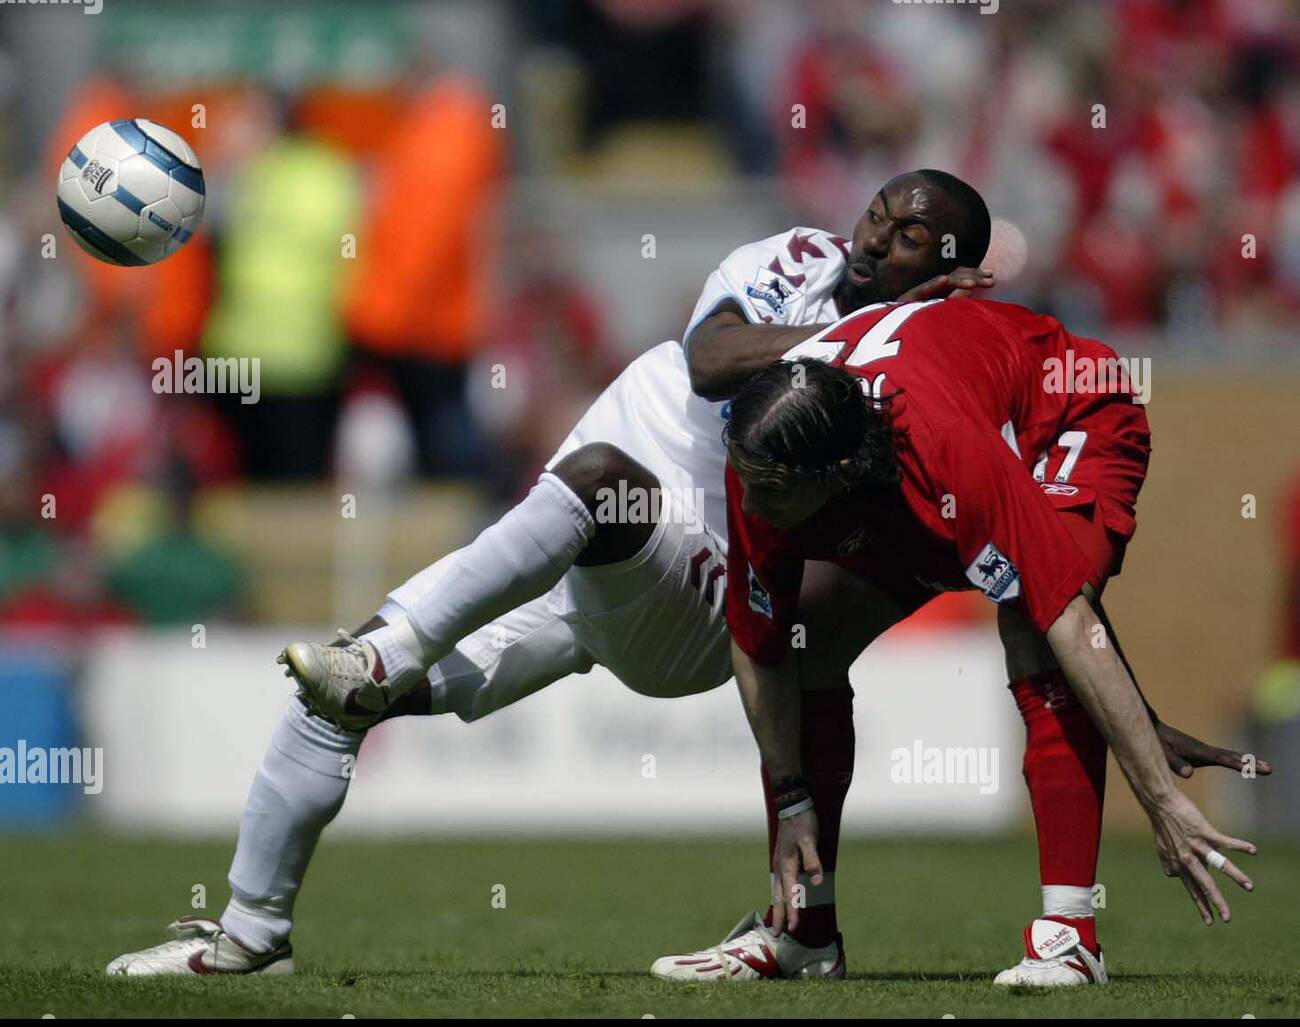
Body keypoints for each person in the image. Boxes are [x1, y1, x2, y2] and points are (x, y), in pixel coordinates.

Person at [105, 172, 1252, 978]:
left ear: (949, 280)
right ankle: (247, 930)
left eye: (912, 234)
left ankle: (1049, 930)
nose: (879, 229)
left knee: (601, 483)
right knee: (332, 695)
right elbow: (708, 356)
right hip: (579, 564)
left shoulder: (917, 401)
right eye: (882, 205)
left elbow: (1051, 589)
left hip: (684, 575)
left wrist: (1148, 766)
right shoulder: (795, 266)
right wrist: (831, 340)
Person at [691, 298, 1257, 986]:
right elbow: (758, 646)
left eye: (769, 492)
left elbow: (1065, 615)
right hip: (920, 458)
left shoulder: (947, 450)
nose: (749, 509)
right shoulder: (763, 451)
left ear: (833, 473)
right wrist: (790, 801)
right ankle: (807, 934)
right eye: (747, 485)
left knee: (1029, 620)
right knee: (812, 644)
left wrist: (1162, 799)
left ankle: (1071, 937)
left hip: (1063, 410)